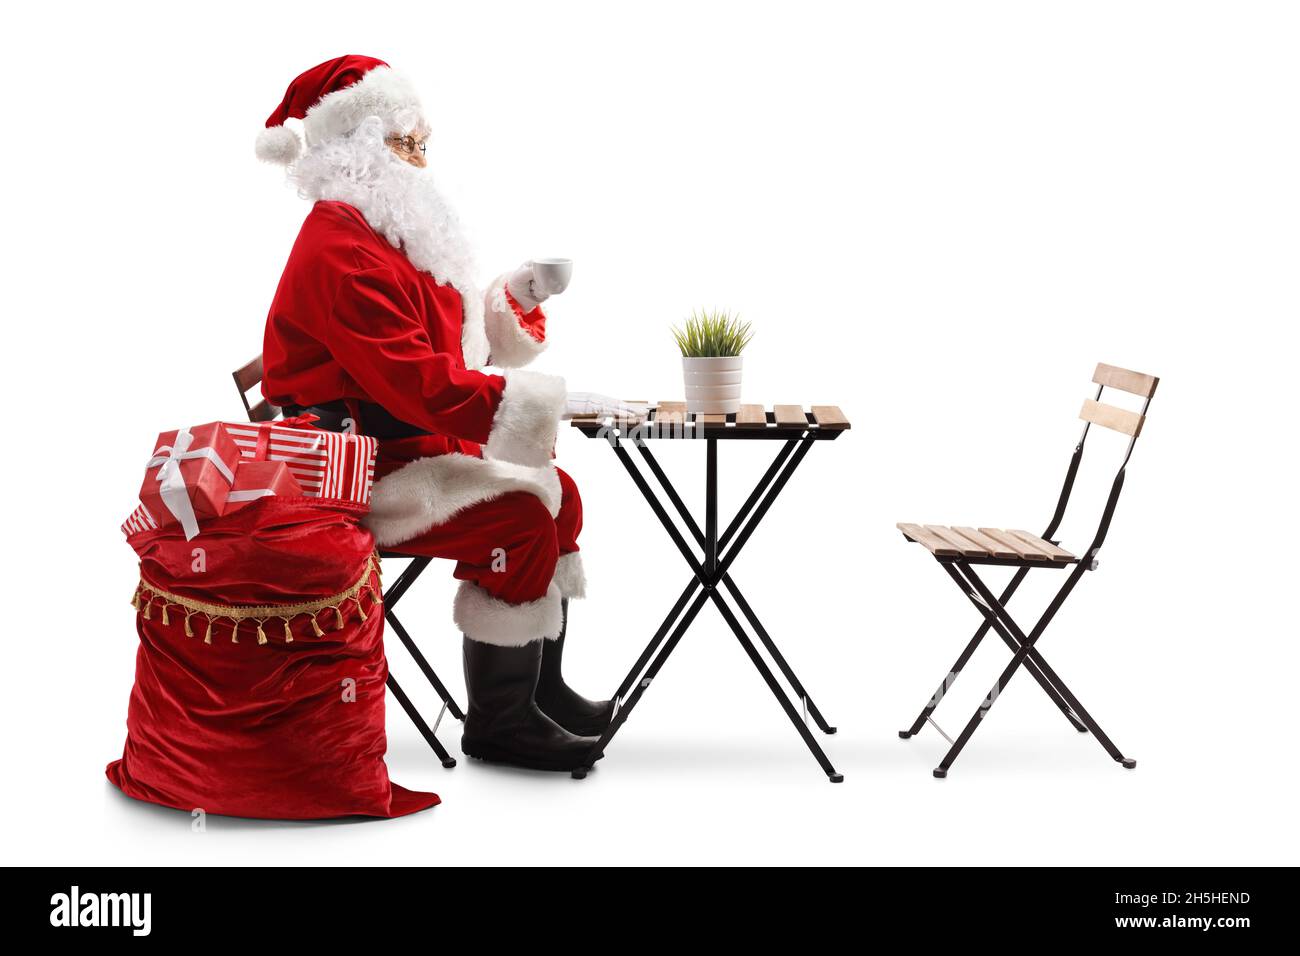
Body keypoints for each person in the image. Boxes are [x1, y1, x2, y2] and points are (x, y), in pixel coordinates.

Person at [256, 56, 644, 771]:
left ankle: (538, 687)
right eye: (406, 144)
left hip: (404, 447)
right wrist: (544, 405)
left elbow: (450, 341)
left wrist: (520, 293)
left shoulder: (390, 234)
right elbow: (418, 384)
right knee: (522, 518)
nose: (420, 160)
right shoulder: (340, 246)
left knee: (562, 499)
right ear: (356, 150)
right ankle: (498, 723)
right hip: (351, 475)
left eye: (420, 142)